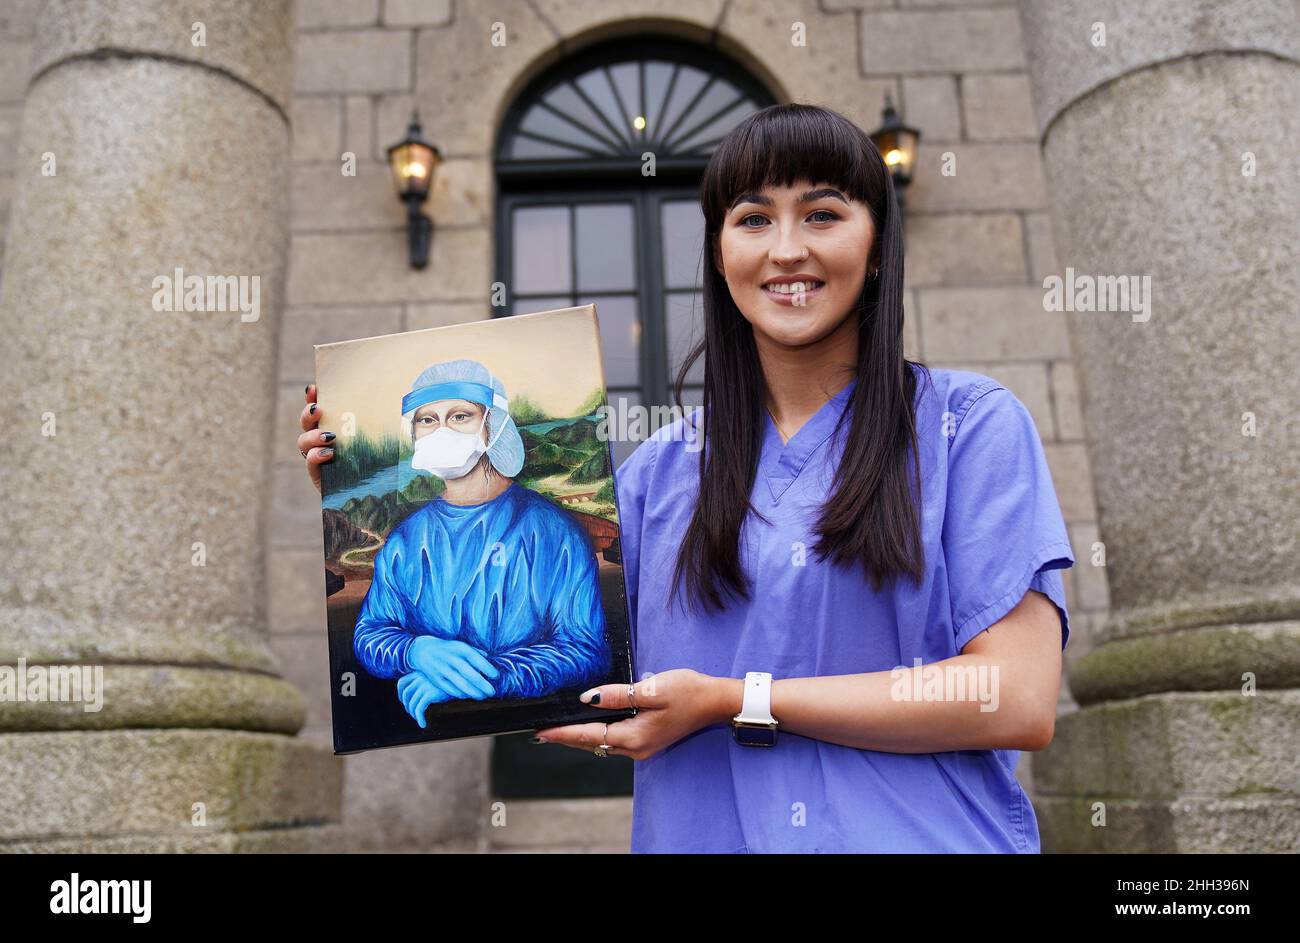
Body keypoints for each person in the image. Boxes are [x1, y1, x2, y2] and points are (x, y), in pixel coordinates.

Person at [300, 103, 1075, 853]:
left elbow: (1012, 695)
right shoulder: (657, 478)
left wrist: (742, 700)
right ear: (718, 253)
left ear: (877, 246)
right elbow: (551, 651)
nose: (786, 249)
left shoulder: (966, 428)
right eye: (753, 218)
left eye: (823, 214)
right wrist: (356, 515)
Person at [305, 358, 612, 729]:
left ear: (492, 426)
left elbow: (584, 650)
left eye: (460, 416)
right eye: (427, 420)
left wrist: (479, 678)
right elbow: (372, 632)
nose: (441, 431)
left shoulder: (554, 534)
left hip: (533, 737)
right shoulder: (406, 540)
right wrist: (415, 651)